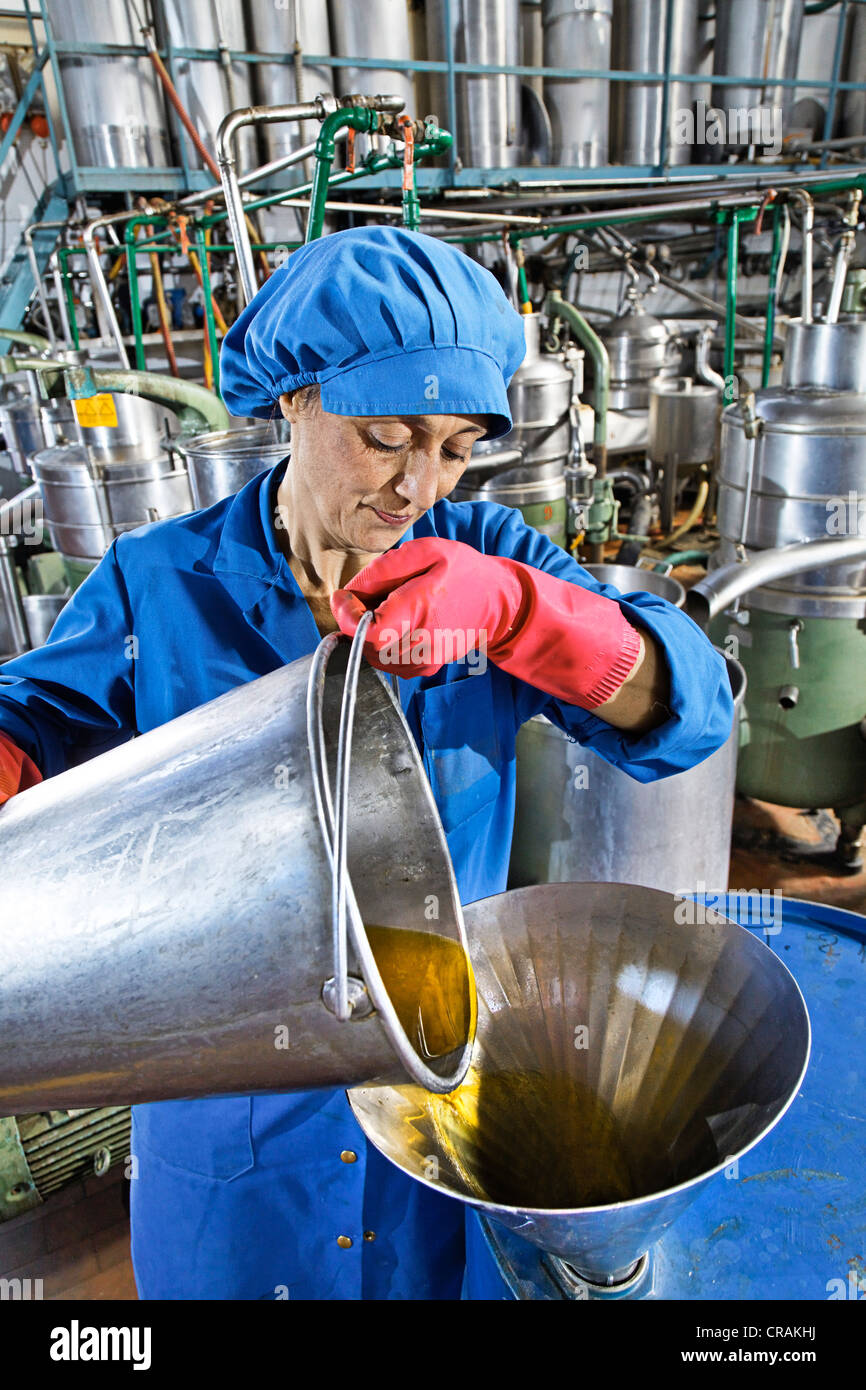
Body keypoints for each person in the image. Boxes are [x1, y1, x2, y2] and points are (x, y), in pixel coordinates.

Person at [0, 226, 734, 1299]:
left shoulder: (491, 558)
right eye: (385, 433)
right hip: (237, 1109)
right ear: (293, 399)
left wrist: (520, 614)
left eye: (452, 446)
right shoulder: (161, 584)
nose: (414, 487)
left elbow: (691, 711)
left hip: (444, 1084)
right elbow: (34, 722)